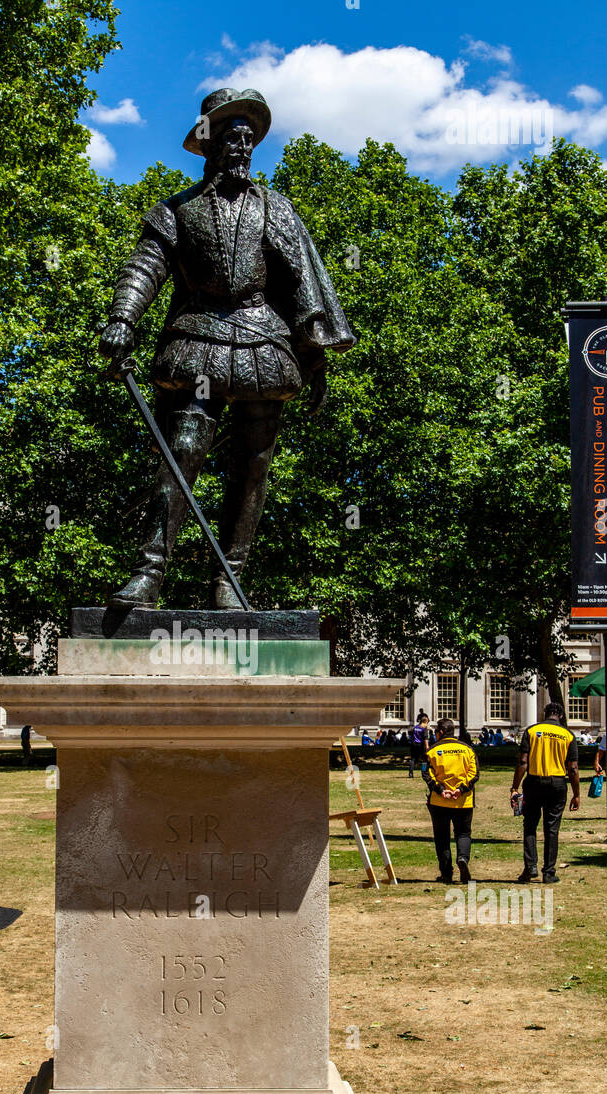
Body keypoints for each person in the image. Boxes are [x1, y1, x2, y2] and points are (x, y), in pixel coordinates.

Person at [99, 87, 355, 610]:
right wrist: (124, 318)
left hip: (263, 340)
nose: (242, 149)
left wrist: (316, 355)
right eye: (232, 139)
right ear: (209, 143)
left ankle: (228, 580)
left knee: (253, 465)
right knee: (182, 451)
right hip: (197, 337)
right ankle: (148, 572)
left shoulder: (277, 210)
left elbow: (304, 283)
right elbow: (145, 268)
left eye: (249, 141)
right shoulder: (175, 211)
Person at [511, 701, 580, 884]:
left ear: (545, 714)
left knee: (530, 824)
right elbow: (573, 768)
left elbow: (523, 762)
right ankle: (548, 872)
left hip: (534, 782)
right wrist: (576, 793)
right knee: (552, 829)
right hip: (557, 784)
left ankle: (530, 866)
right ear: (561, 716)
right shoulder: (568, 735)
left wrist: (514, 787)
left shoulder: (532, 731)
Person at [422, 717, 479, 884]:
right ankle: (463, 858)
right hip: (463, 800)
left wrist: (441, 790)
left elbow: (426, 773)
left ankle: (446, 873)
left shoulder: (431, 751)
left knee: (442, 837)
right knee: (463, 833)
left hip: (439, 801)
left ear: (440, 733)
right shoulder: (467, 749)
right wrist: (460, 789)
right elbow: (474, 774)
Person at [408, 713, 431, 779]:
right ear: (426, 722)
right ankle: (424, 773)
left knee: (413, 759)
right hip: (421, 745)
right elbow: (425, 738)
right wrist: (427, 747)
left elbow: (411, 735)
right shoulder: (424, 729)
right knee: (424, 759)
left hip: (414, 744)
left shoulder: (415, 728)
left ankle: (411, 773)